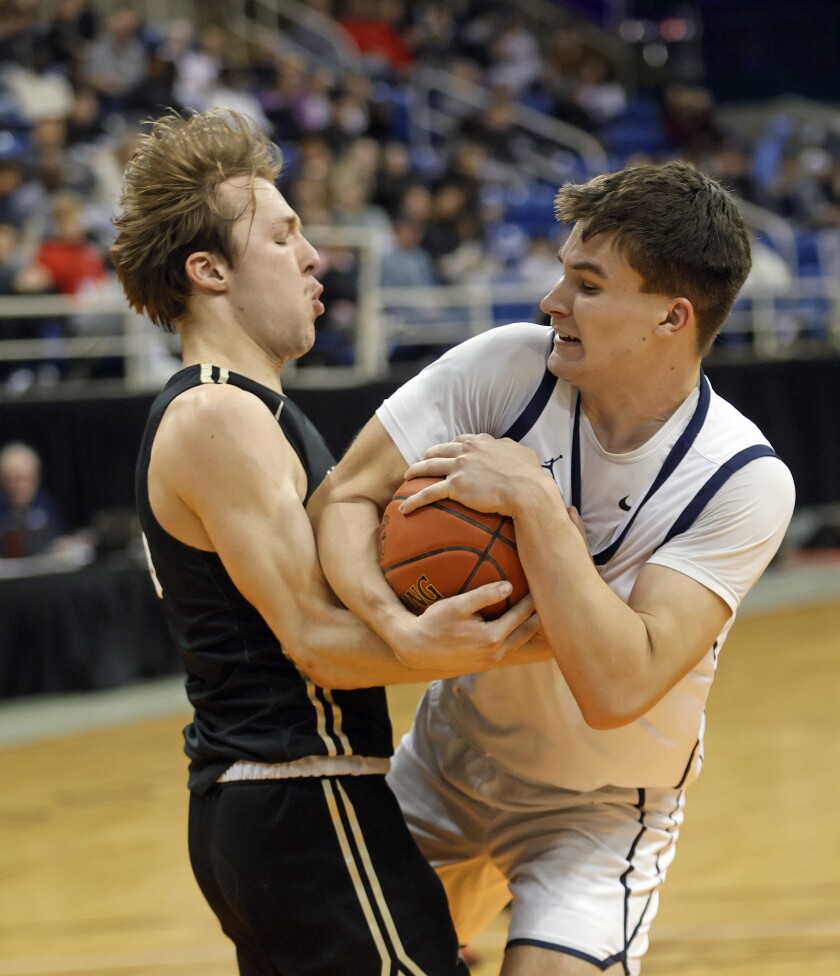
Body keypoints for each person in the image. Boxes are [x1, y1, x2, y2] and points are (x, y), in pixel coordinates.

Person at [308, 160, 796, 975]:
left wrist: (535, 505)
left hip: (602, 808)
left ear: (672, 317)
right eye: (562, 273)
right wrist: (396, 624)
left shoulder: (742, 477)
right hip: (448, 761)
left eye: (587, 285)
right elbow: (344, 499)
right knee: (334, 955)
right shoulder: (506, 367)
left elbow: (618, 686)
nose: (552, 301)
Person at [110, 108, 545, 976]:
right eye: (283, 236)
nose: (316, 258)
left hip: (286, 806)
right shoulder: (215, 413)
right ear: (209, 271)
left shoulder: (244, 410)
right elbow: (315, 645)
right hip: (298, 791)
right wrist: (551, 640)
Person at [0, 441, 65, 558]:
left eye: (23, 479)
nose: (17, 486)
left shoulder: (46, 503)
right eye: (11, 480)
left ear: (35, 477)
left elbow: (58, 540)